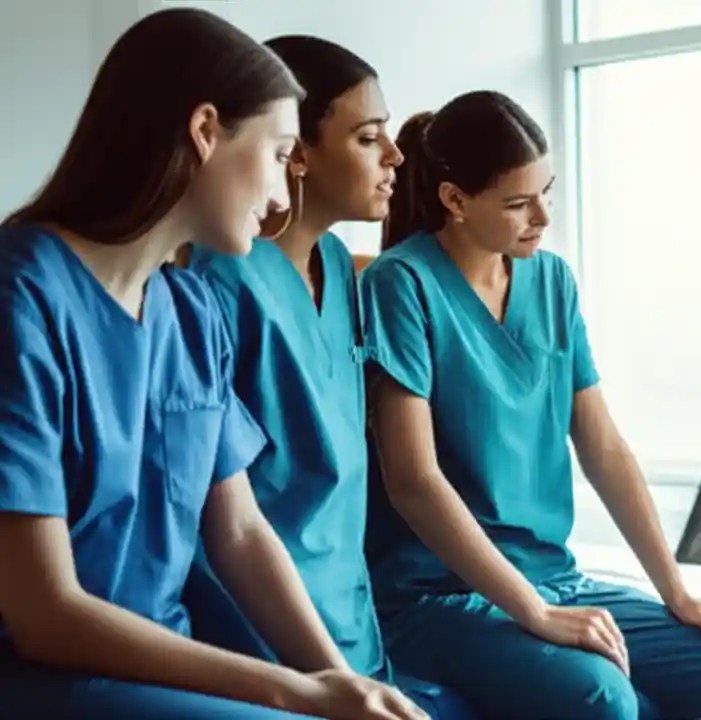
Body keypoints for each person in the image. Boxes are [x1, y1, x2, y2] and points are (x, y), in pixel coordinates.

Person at [0, 10, 424, 719]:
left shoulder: (189, 311)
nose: (283, 196)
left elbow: (239, 531)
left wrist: (340, 680)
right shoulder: (23, 297)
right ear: (205, 131)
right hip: (44, 681)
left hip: (164, 670)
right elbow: (45, 613)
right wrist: (296, 690)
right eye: (279, 154)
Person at [360, 91, 701, 719]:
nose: (542, 216)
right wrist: (533, 612)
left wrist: (676, 592)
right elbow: (413, 481)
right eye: (517, 203)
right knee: (603, 697)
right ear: (455, 200)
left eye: (547, 193)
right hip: (439, 597)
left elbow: (603, 448)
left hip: (557, 578)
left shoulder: (553, 280)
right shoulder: (400, 283)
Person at [184, 35, 473, 720]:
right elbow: (222, 518)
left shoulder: (343, 267)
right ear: (297, 151)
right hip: (260, 638)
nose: (395, 155)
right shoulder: (216, 276)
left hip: (355, 627)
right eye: (369, 138)